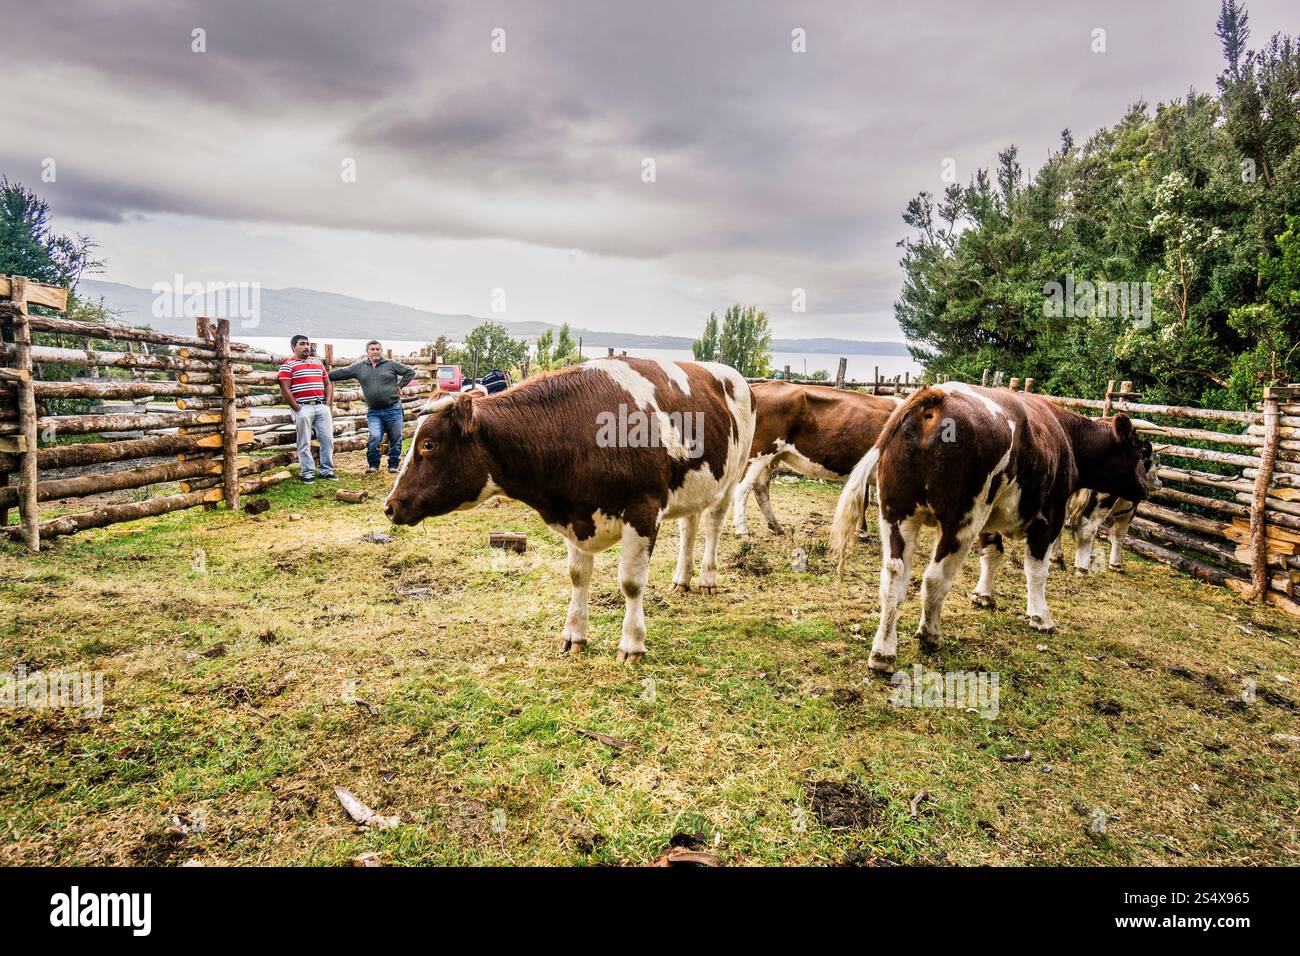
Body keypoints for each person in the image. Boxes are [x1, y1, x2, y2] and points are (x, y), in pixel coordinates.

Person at [328, 340, 416, 473]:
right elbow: (341, 372)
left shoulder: (391, 364)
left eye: (378, 349)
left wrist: (400, 386)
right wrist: (321, 375)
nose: (375, 351)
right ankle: (373, 465)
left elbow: (409, 372)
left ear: (381, 351)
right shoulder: (360, 367)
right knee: (374, 437)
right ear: (367, 351)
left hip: (393, 409)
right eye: (372, 349)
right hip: (374, 412)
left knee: (396, 438)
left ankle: (393, 465)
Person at [277, 334, 335, 483]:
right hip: (303, 408)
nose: (306, 347)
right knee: (304, 441)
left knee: (327, 439)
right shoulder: (287, 365)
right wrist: (297, 408)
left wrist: (327, 405)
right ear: (293, 347)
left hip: (321, 406)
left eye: (308, 344)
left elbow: (328, 383)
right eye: (302, 344)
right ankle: (307, 472)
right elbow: (285, 388)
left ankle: (326, 470)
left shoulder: (317, 363)